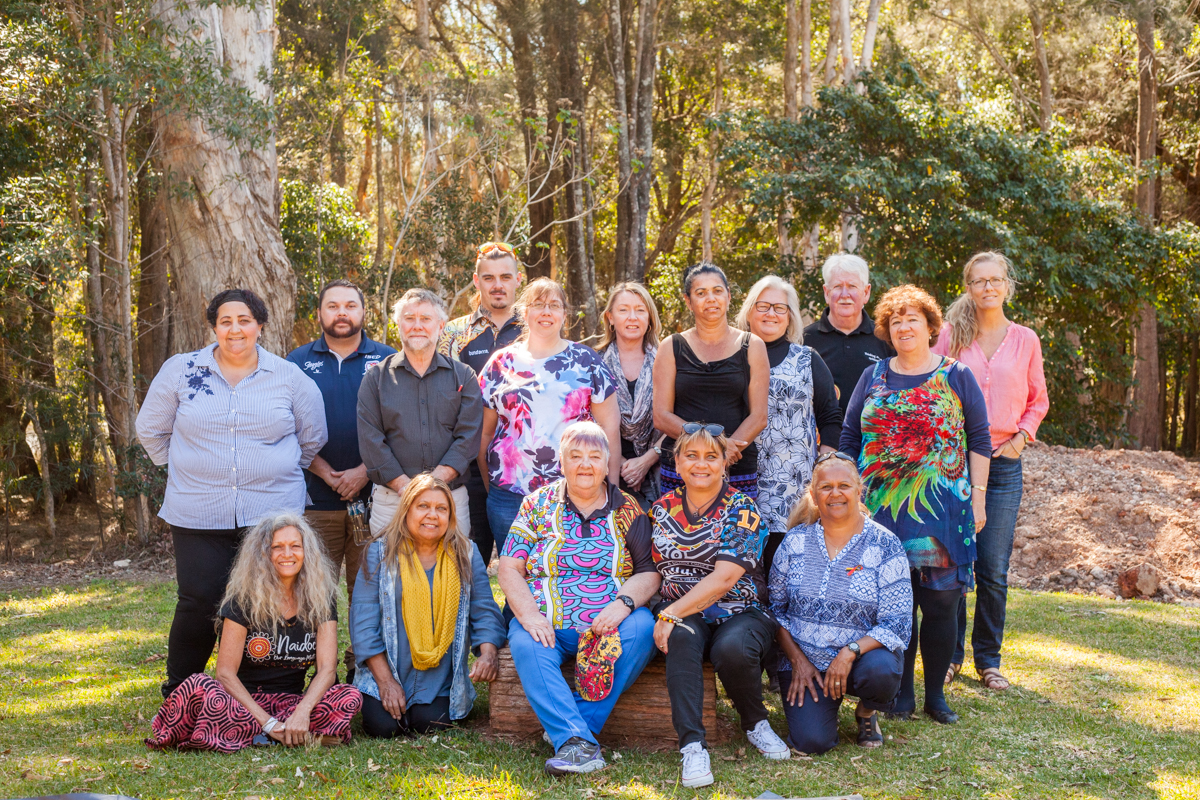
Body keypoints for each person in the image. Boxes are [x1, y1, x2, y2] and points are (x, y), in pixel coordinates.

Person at [137, 288, 328, 698]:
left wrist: (272, 468)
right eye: (225, 321)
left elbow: (312, 437)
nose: (235, 329)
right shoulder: (182, 370)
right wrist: (189, 466)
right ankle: (181, 692)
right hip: (198, 511)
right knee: (199, 600)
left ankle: (261, 693)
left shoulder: (289, 377)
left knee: (265, 602)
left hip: (270, 515)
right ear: (214, 327)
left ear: (260, 325)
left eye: (244, 320)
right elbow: (150, 429)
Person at [839, 285, 991, 725]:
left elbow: (980, 439)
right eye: (896, 321)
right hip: (880, 512)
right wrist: (846, 496)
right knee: (893, 604)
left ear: (930, 327)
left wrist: (979, 498)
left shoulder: (956, 375)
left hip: (943, 511)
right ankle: (900, 693)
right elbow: (849, 437)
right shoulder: (872, 376)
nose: (904, 327)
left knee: (941, 603)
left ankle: (935, 696)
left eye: (913, 319)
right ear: (887, 330)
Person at [498, 422, 660, 776]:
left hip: (608, 626)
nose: (585, 464)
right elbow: (509, 568)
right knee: (524, 641)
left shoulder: (627, 508)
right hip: (548, 624)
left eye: (594, 457)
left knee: (643, 628)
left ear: (607, 463)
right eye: (575, 456)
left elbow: (649, 572)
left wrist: (622, 605)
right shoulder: (536, 504)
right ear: (562, 462)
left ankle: (573, 734)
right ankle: (578, 738)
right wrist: (530, 616)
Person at [146, 514, 362, 751]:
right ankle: (286, 735)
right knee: (198, 686)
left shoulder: (321, 598)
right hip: (243, 705)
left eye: (295, 546)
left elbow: (327, 669)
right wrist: (268, 722)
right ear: (263, 554)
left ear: (306, 552)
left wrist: (302, 712)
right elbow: (225, 674)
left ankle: (253, 735)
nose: (287, 554)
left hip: (291, 704)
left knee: (349, 696)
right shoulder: (243, 598)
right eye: (277, 547)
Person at [650, 426, 790, 789]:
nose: (701, 464)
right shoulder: (660, 510)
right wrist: (666, 610)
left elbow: (725, 578)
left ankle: (755, 722)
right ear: (677, 462)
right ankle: (692, 746)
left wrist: (670, 612)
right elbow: (650, 570)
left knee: (732, 647)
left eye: (711, 456)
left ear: (725, 463)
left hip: (739, 608)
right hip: (683, 611)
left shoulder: (742, 508)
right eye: (692, 456)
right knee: (681, 638)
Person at [933, 252, 1048, 691]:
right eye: (979, 281)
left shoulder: (1026, 340)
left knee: (993, 569)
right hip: (953, 465)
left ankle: (988, 659)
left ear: (1007, 285)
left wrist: (1021, 438)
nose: (988, 287)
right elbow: (931, 387)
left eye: (995, 280)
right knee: (952, 564)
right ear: (968, 287)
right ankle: (949, 657)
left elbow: (1038, 399)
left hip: (1003, 465)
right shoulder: (950, 336)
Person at [286, 279, 396, 678]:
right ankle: (316, 671)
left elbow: (399, 426)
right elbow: (285, 426)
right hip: (316, 500)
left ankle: (363, 672)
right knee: (312, 592)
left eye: (350, 305)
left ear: (364, 312)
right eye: (333, 306)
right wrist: (325, 472)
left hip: (376, 500)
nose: (342, 313)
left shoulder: (388, 359)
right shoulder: (296, 362)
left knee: (370, 592)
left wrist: (365, 470)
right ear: (319, 313)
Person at [769, 453, 912, 754]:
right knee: (812, 742)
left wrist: (850, 652)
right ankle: (821, 708)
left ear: (859, 491)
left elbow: (897, 623)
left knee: (882, 672)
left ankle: (867, 710)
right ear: (813, 494)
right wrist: (797, 660)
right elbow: (774, 612)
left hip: (862, 660)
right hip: (806, 662)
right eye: (826, 487)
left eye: (844, 486)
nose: (835, 493)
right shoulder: (794, 542)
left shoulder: (885, 545)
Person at [350, 474, 505, 736]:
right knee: (384, 727)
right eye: (423, 506)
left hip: (439, 678)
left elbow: (484, 611)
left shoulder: (466, 554)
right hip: (388, 670)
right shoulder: (379, 553)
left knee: (431, 722)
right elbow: (363, 624)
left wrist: (488, 653)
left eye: (441, 508)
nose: (432, 515)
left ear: (450, 515)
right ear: (406, 510)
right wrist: (386, 683)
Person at [478, 278, 621, 556]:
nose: (546, 312)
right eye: (538, 304)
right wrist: (492, 486)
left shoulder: (587, 360)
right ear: (524, 312)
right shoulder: (500, 363)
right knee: (514, 573)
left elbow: (609, 430)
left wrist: (611, 489)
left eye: (554, 305)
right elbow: (484, 433)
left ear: (564, 314)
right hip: (509, 495)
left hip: (575, 492)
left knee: (566, 571)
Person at [735, 275, 842, 571]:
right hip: (740, 483)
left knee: (787, 572)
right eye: (763, 306)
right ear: (749, 311)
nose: (771, 313)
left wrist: (824, 469)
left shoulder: (807, 359)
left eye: (779, 308)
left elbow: (830, 417)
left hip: (793, 490)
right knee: (743, 571)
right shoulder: (731, 356)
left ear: (790, 316)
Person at [358, 289, 483, 543]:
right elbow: (371, 442)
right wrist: (407, 488)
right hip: (391, 501)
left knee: (452, 568)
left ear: (441, 326)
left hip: (449, 500)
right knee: (390, 570)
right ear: (399, 325)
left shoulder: (464, 376)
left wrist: (431, 487)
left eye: (425, 319)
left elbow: (468, 438)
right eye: (409, 318)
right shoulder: (375, 379)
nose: (417, 326)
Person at [439, 243, 525, 565]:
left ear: (518, 279)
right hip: (468, 465)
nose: (497, 285)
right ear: (477, 281)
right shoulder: (454, 332)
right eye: (489, 278)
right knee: (466, 563)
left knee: (526, 565)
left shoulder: (535, 328)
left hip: (523, 467)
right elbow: (444, 396)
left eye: (505, 277)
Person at [653, 262, 769, 499]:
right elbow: (661, 417)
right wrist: (714, 448)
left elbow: (759, 416)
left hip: (737, 465)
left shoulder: (752, 345)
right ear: (688, 301)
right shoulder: (671, 347)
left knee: (736, 525)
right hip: (684, 467)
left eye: (717, 291)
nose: (711, 299)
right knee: (679, 525)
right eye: (701, 293)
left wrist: (726, 452)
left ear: (728, 295)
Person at [802, 254, 894, 416]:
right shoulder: (804, 339)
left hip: (872, 431)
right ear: (826, 292)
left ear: (866, 292)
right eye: (837, 286)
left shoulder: (886, 337)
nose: (845, 294)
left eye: (852, 286)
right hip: (820, 432)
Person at [598, 281, 663, 508]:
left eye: (640, 310)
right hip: (606, 469)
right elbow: (586, 419)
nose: (632, 317)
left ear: (650, 318)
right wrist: (623, 464)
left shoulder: (666, 360)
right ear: (610, 318)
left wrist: (646, 461)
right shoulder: (593, 362)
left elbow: (679, 416)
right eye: (623, 310)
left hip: (661, 468)